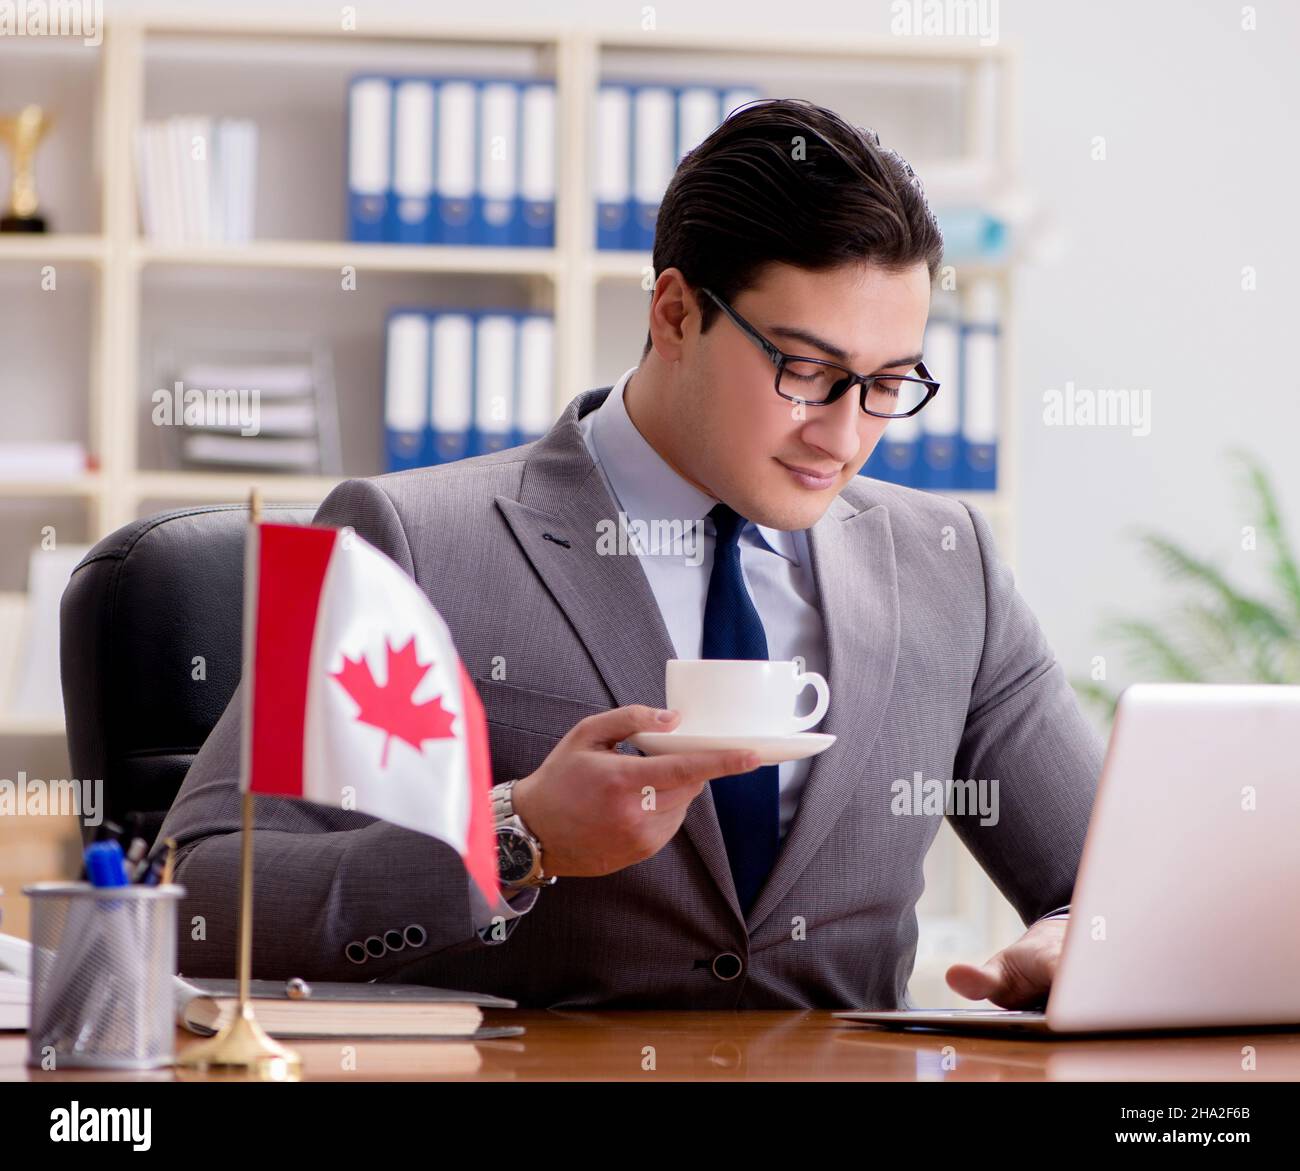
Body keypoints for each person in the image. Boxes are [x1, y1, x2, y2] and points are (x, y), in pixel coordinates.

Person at [155, 98, 1102, 1010]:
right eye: (805, 372)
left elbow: (1103, 884)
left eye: (888, 383)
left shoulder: (948, 563)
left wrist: (1079, 937)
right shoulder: (408, 539)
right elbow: (195, 900)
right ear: (676, 314)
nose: (844, 435)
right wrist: (516, 833)